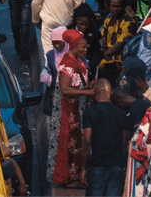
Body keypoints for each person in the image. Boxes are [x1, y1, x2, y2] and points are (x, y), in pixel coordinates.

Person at [52, 29, 93, 188]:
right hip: (70, 111)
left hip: (79, 108)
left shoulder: (78, 60)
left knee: (78, 141)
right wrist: (88, 92)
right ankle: (69, 178)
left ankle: (76, 175)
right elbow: (65, 89)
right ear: (74, 47)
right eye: (82, 47)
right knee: (71, 142)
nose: (85, 50)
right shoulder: (67, 64)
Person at [82, 78, 128, 196]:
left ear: (94, 92)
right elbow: (124, 142)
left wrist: (83, 167)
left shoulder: (89, 112)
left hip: (98, 164)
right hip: (116, 164)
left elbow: (87, 140)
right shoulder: (121, 113)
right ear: (111, 92)